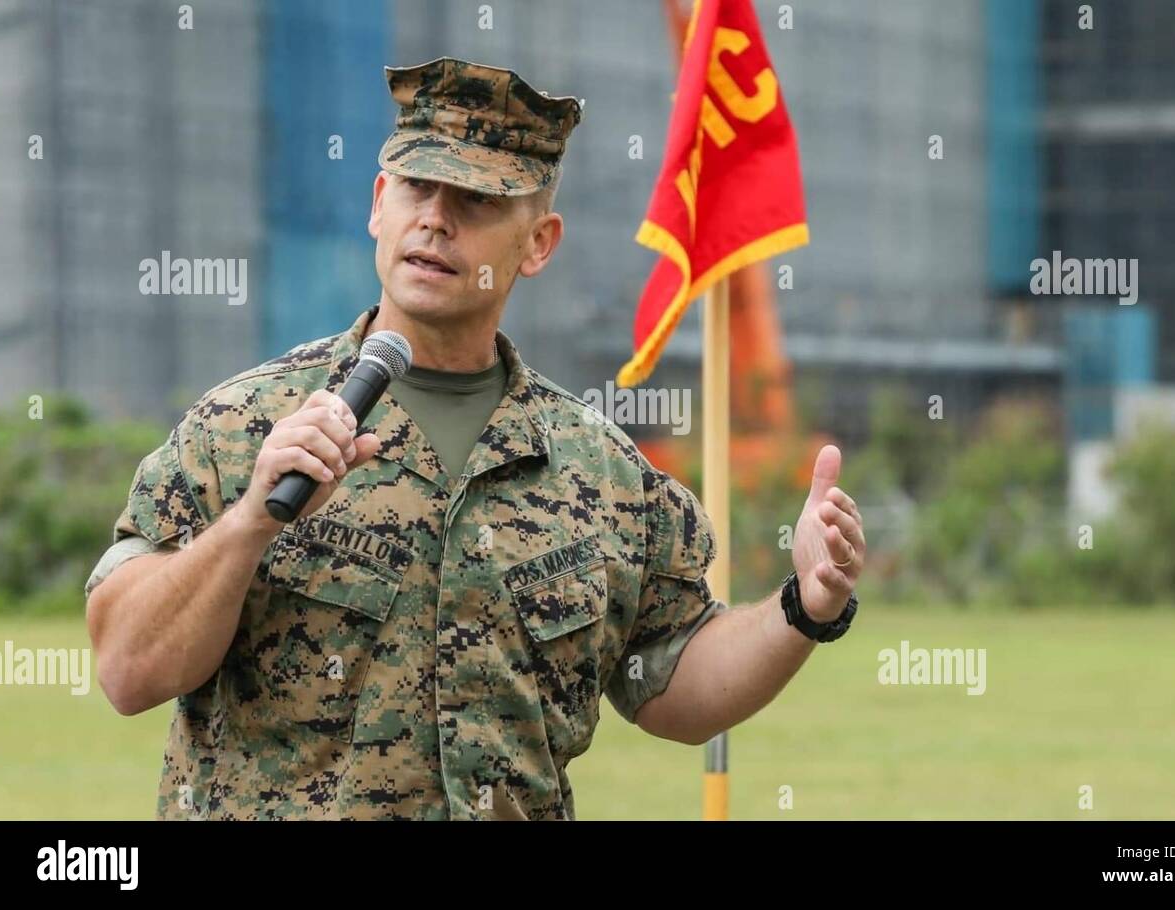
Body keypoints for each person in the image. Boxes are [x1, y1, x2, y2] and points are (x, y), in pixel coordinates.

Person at [84, 56, 866, 820]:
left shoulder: (599, 470)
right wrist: (252, 521)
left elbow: (674, 681)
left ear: (538, 243)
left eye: (476, 201)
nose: (436, 220)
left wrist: (806, 604)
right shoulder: (244, 428)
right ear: (378, 203)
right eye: (419, 188)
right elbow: (128, 669)